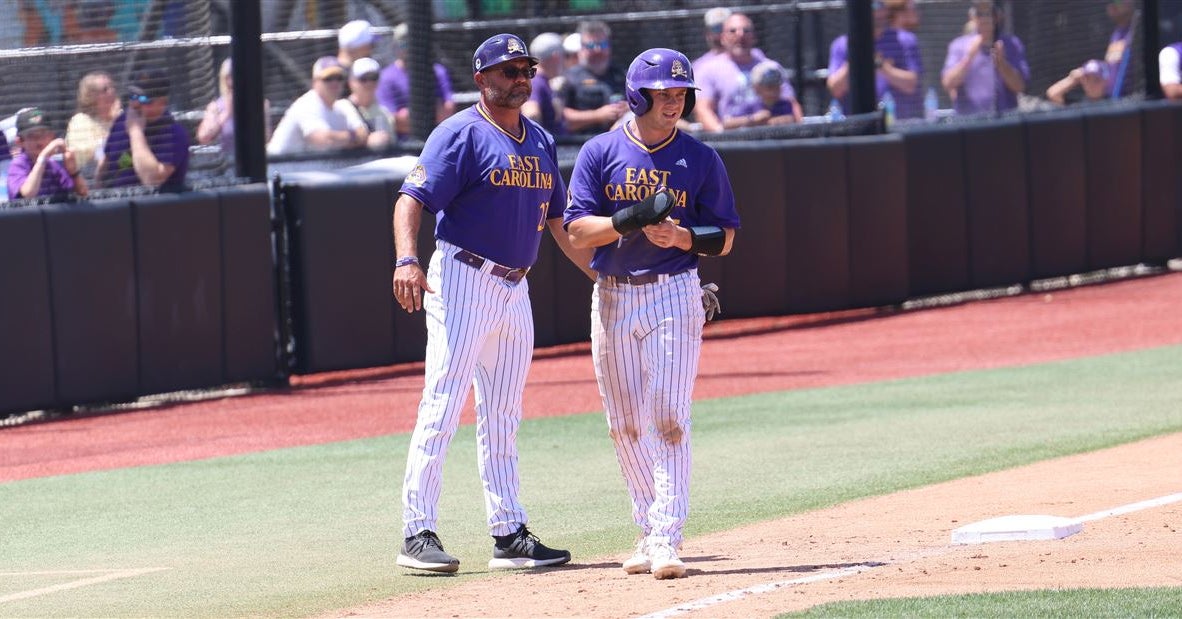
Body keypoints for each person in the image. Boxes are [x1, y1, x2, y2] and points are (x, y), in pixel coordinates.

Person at [391, 33, 594, 574]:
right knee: (443, 402)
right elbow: (411, 198)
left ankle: (508, 533)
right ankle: (417, 532)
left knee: (502, 414)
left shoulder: (542, 141)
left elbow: (559, 224)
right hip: (462, 278)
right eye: (507, 71)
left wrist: (605, 277)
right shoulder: (458, 133)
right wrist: (406, 261)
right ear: (482, 79)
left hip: (515, 286)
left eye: (525, 68)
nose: (519, 77)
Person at [564, 47, 740, 580]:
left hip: (674, 290)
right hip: (614, 293)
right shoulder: (599, 152)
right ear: (638, 95)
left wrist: (682, 235)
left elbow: (726, 237)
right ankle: (646, 527)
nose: (674, 101)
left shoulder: (701, 158)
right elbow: (576, 231)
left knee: (666, 414)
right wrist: (633, 219)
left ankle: (666, 535)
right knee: (622, 423)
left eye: (680, 93)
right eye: (663, 93)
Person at [694, 12, 802, 132]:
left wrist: (798, 131)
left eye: (746, 30)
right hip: (733, 143)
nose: (740, 35)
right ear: (723, 38)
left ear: (754, 37)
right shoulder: (709, 69)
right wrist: (720, 136)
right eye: (732, 31)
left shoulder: (771, 67)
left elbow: (792, 104)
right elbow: (703, 109)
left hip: (773, 141)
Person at [826, 0, 923, 119]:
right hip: (855, 124)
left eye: (882, 5)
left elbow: (911, 85)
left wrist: (880, 65)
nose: (879, 12)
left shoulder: (906, 40)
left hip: (899, 125)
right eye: (874, 5)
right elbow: (835, 89)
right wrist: (857, 56)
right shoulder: (841, 45)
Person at [96, 69, 189, 190]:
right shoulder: (121, 121)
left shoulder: (175, 134)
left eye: (144, 99)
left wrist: (135, 131)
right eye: (133, 96)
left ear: (163, 103)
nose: (135, 104)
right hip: (115, 203)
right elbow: (106, 164)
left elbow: (152, 180)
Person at [940, 0, 1029, 116]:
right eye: (980, 14)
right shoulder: (958, 45)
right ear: (972, 17)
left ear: (998, 16)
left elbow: (1020, 87)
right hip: (969, 124)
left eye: (990, 13)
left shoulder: (1012, 44)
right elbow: (948, 84)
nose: (985, 19)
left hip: (1005, 122)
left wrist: (1002, 63)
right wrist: (969, 57)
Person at [267, 56, 364, 156]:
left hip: (308, 168)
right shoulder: (307, 104)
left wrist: (341, 138)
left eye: (339, 78)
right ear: (315, 82)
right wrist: (352, 137)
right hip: (279, 167)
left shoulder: (343, 106)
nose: (335, 83)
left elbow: (363, 135)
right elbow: (324, 141)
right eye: (328, 78)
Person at [376, 23, 456, 139]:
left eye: (414, 43)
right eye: (404, 44)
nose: (410, 49)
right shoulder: (386, 77)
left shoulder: (438, 71)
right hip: (403, 143)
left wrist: (410, 115)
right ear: (395, 47)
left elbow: (448, 111)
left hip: (438, 137)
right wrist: (432, 111)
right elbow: (393, 121)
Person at [1050, 0, 1137, 102]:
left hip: (1129, 100)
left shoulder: (1136, 29)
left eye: (1117, 2)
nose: (1112, 6)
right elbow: (1053, 93)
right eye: (1109, 3)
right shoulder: (1116, 33)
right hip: (1111, 102)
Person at [557, 20, 628, 135]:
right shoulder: (569, 77)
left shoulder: (622, 75)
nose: (597, 50)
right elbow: (561, 117)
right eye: (591, 45)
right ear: (581, 48)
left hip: (619, 143)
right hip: (577, 146)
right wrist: (598, 115)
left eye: (602, 45)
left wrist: (629, 109)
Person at [6, 107, 88, 199]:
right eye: (32, 136)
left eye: (43, 134)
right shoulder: (18, 165)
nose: (39, 141)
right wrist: (43, 157)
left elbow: (82, 193)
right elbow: (28, 194)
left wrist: (73, 172)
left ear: (51, 136)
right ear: (20, 142)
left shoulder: (53, 165)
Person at [196, 58, 272, 155]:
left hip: (252, 161)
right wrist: (226, 114)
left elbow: (266, 139)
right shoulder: (215, 107)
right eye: (228, 77)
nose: (232, 82)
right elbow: (203, 137)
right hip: (227, 164)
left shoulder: (260, 104)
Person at [65, 70, 120, 174]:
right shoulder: (80, 121)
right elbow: (90, 155)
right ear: (91, 96)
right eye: (105, 89)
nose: (112, 91)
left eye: (112, 87)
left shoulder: (121, 117)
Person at [339, 57, 395, 150]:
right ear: (351, 82)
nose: (369, 83)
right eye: (363, 79)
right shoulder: (340, 108)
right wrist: (367, 143)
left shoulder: (384, 113)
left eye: (373, 78)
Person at [522, 32, 566, 136]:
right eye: (564, 56)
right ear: (556, 57)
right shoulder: (536, 82)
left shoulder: (541, 81)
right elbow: (531, 114)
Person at [1047, 59, 1112, 105]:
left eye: (1096, 80)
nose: (1091, 84)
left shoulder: (1114, 102)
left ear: (1105, 81)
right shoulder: (1078, 104)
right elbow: (1053, 94)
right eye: (1087, 79)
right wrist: (1071, 80)